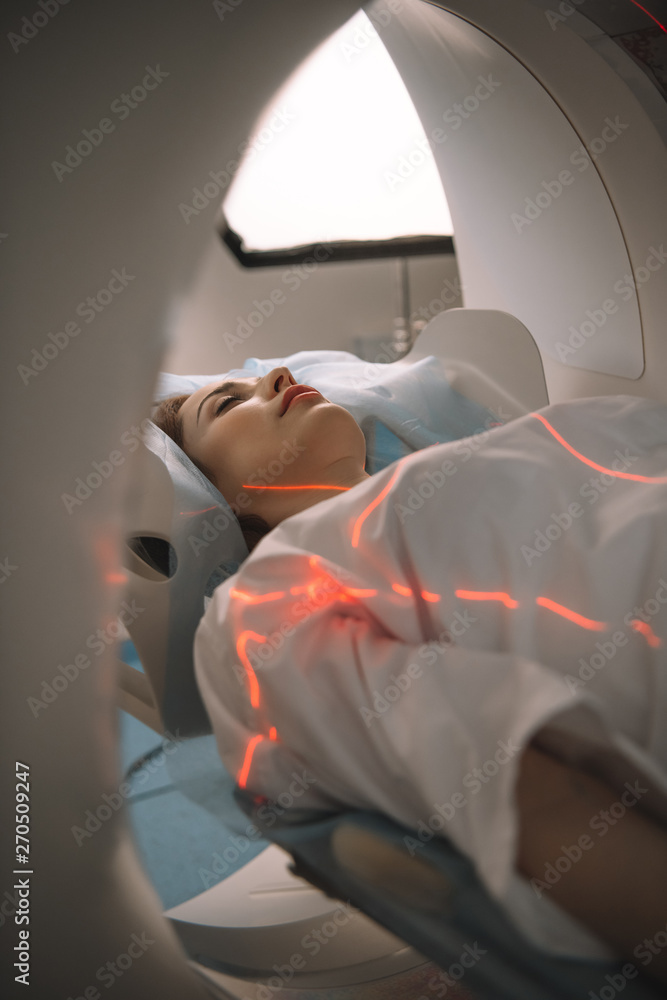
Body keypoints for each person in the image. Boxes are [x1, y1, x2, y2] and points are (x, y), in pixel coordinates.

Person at [153, 366, 667, 985]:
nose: (279, 375)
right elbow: (541, 801)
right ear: (215, 502)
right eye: (228, 403)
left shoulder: (507, 449)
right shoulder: (267, 603)